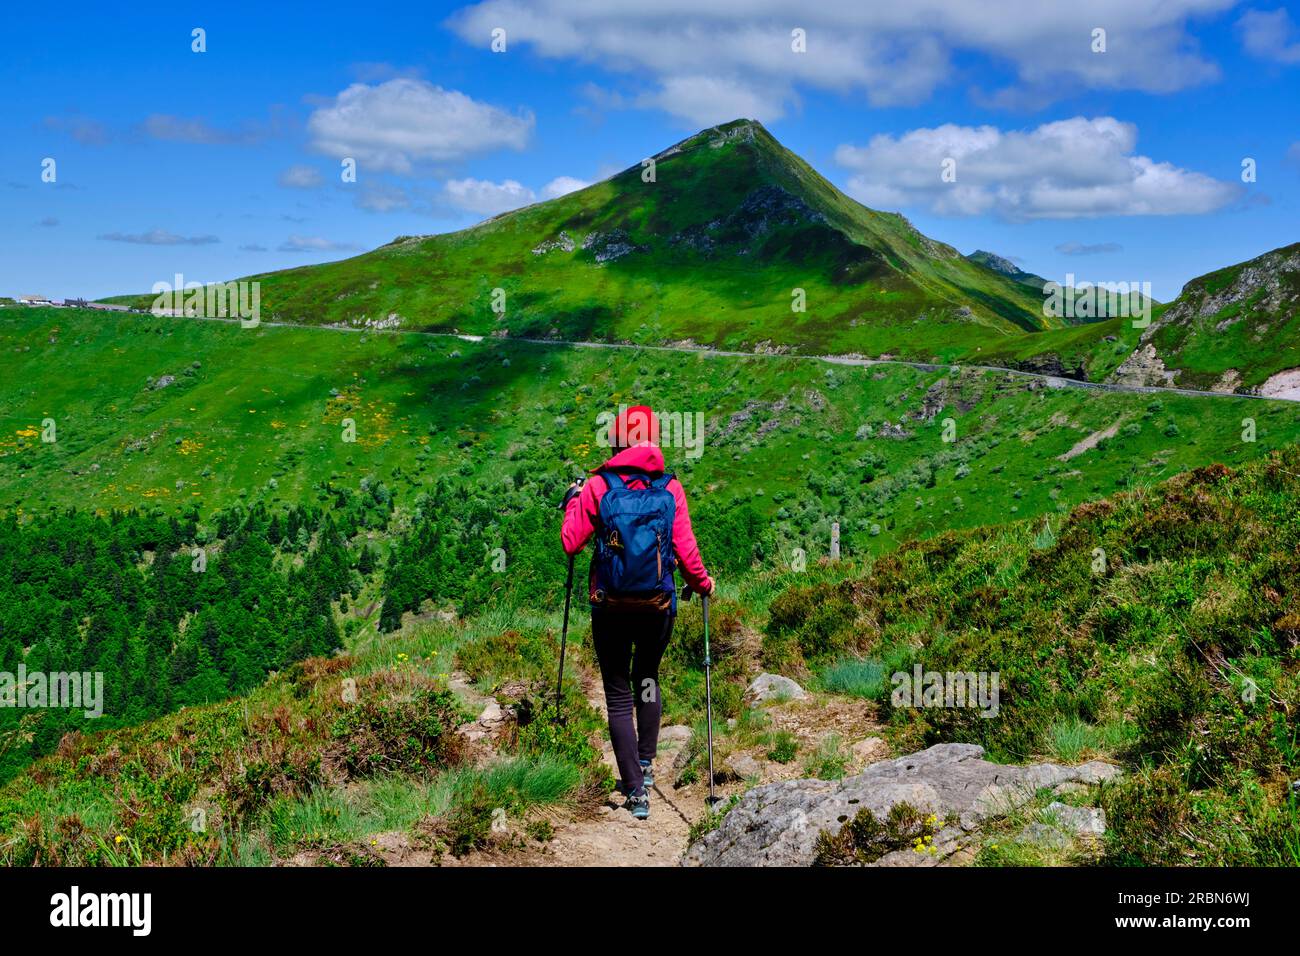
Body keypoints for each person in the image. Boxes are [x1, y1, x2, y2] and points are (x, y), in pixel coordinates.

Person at [560, 404, 713, 820]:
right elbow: (685, 550)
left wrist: (574, 500)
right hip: (657, 605)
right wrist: (703, 584)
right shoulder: (670, 488)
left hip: (610, 606)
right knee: (647, 677)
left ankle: (633, 792)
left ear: (617, 440)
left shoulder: (598, 485)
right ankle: (646, 766)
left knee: (617, 692)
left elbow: (571, 542)